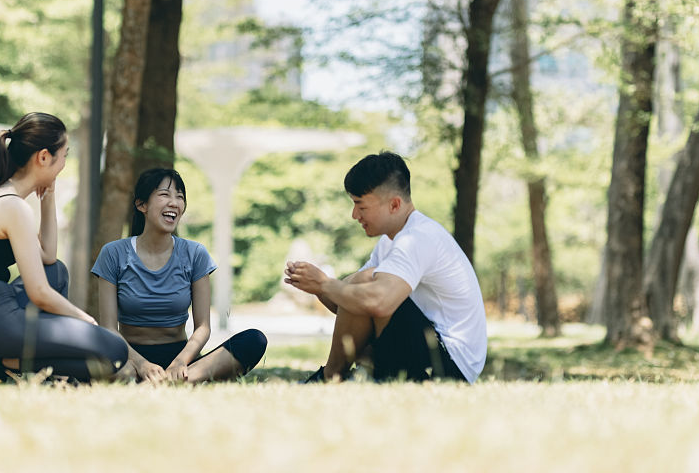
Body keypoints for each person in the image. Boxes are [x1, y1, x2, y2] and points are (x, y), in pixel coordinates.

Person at [0, 112, 127, 383]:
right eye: (64, 155)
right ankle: (0, 362)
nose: (65, 163)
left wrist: (48, 197)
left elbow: (47, 258)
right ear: (43, 157)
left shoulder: (0, 197)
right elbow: (39, 292)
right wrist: (83, 319)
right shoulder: (12, 206)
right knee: (114, 350)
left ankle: (4, 365)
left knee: (56, 271)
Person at [284, 151, 487, 383]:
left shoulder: (417, 238)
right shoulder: (390, 242)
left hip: (448, 367)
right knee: (359, 286)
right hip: (424, 348)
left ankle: (329, 378)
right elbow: (350, 306)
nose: (354, 215)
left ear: (394, 204)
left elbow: (378, 303)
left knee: (366, 286)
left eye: (360, 206)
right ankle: (343, 376)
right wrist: (318, 287)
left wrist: (325, 284)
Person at [93, 168, 267, 384]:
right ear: (142, 205)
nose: (174, 203)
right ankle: (166, 382)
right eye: (165, 195)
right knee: (109, 364)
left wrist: (180, 362)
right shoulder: (114, 253)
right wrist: (141, 364)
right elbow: (108, 327)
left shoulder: (195, 254)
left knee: (253, 340)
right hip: (130, 357)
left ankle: (166, 381)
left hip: (181, 359)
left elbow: (203, 327)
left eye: (180, 197)